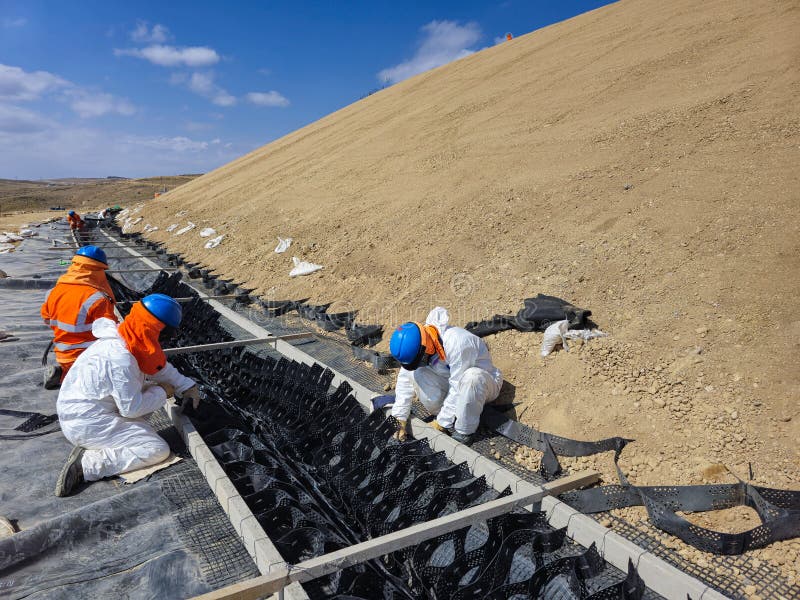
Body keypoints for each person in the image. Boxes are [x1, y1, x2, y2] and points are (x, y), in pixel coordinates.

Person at [54, 294, 201, 497]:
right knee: (157, 449)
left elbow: (157, 366)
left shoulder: (127, 338)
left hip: (85, 411)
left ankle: (112, 441)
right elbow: (131, 409)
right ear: (158, 329)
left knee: (147, 388)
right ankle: (87, 465)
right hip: (87, 424)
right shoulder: (121, 359)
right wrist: (163, 392)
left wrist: (187, 386)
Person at [388, 307, 502, 445]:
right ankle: (449, 416)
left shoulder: (458, 343)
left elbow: (457, 385)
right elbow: (405, 379)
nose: (420, 364)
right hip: (451, 381)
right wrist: (399, 418)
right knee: (415, 373)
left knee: (472, 377)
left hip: (482, 385)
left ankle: (464, 430)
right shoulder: (420, 342)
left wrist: (441, 423)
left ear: (426, 350)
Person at [41, 245, 117, 389]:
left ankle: (62, 373)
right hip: (88, 357)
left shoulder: (53, 291)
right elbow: (110, 332)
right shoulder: (97, 298)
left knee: (72, 371)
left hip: (62, 354)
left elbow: (46, 319)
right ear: (98, 270)